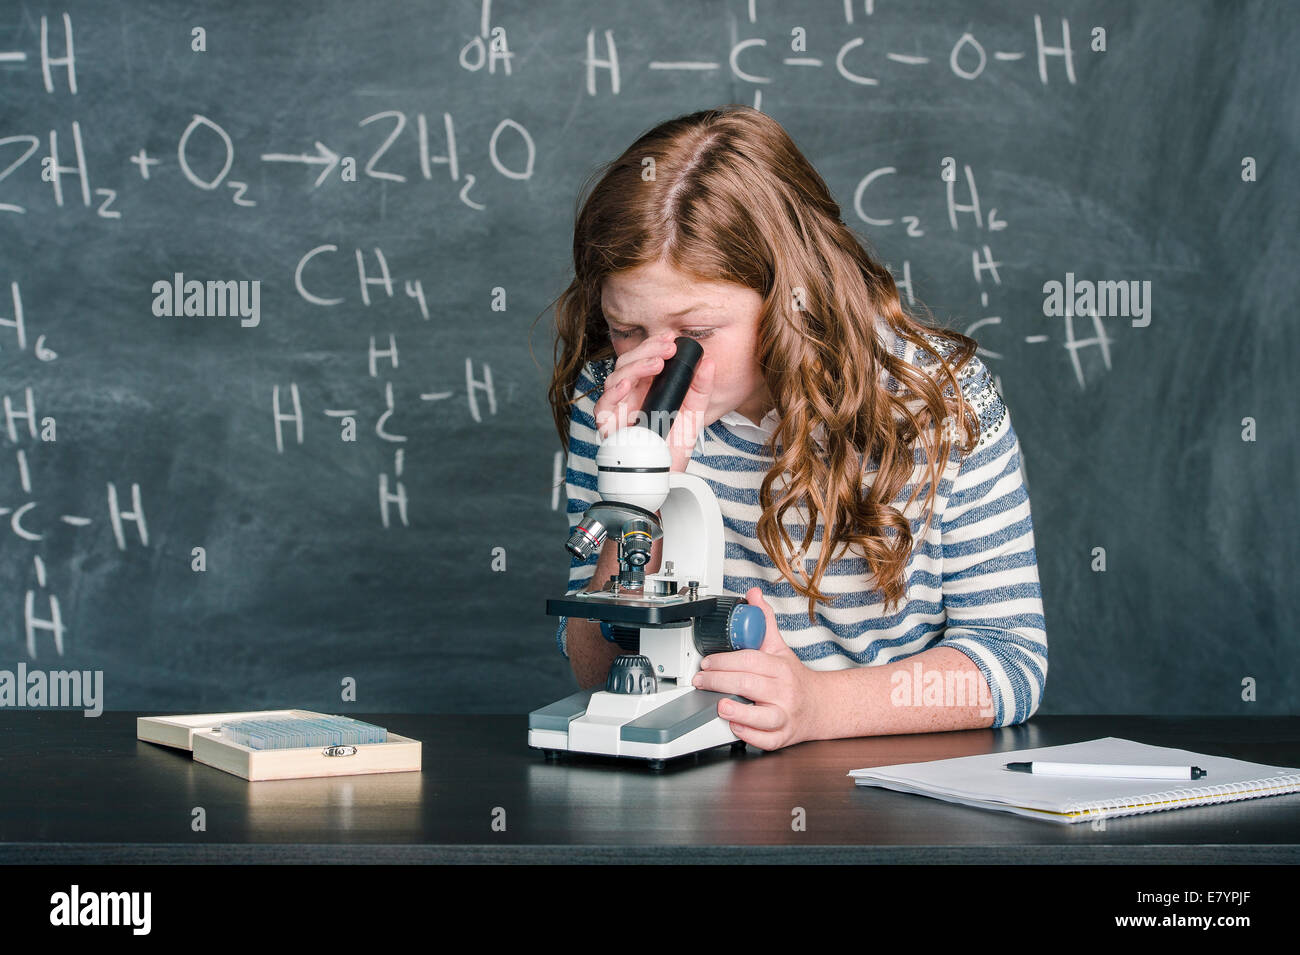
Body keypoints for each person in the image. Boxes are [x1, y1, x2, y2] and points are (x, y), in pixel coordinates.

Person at [542, 105, 1047, 751]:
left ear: (787, 297)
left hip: (882, 784)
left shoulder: (939, 399)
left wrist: (819, 705)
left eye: (695, 334)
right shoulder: (615, 398)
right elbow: (596, 670)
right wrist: (641, 492)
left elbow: (1011, 661)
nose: (659, 363)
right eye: (628, 328)